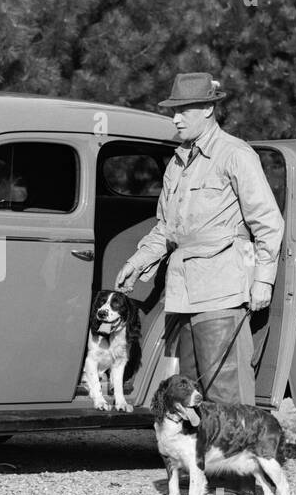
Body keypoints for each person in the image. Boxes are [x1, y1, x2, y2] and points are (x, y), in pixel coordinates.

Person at [115, 72, 284, 404]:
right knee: (192, 397)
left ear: (208, 109)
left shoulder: (235, 154)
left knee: (227, 395)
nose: (175, 119)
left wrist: (263, 281)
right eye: (173, 111)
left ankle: (237, 441)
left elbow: (268, 222)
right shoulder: (177, 163)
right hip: (183, 295)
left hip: (221, 294)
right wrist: (136, 263)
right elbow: (166, 228)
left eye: (184, 110)